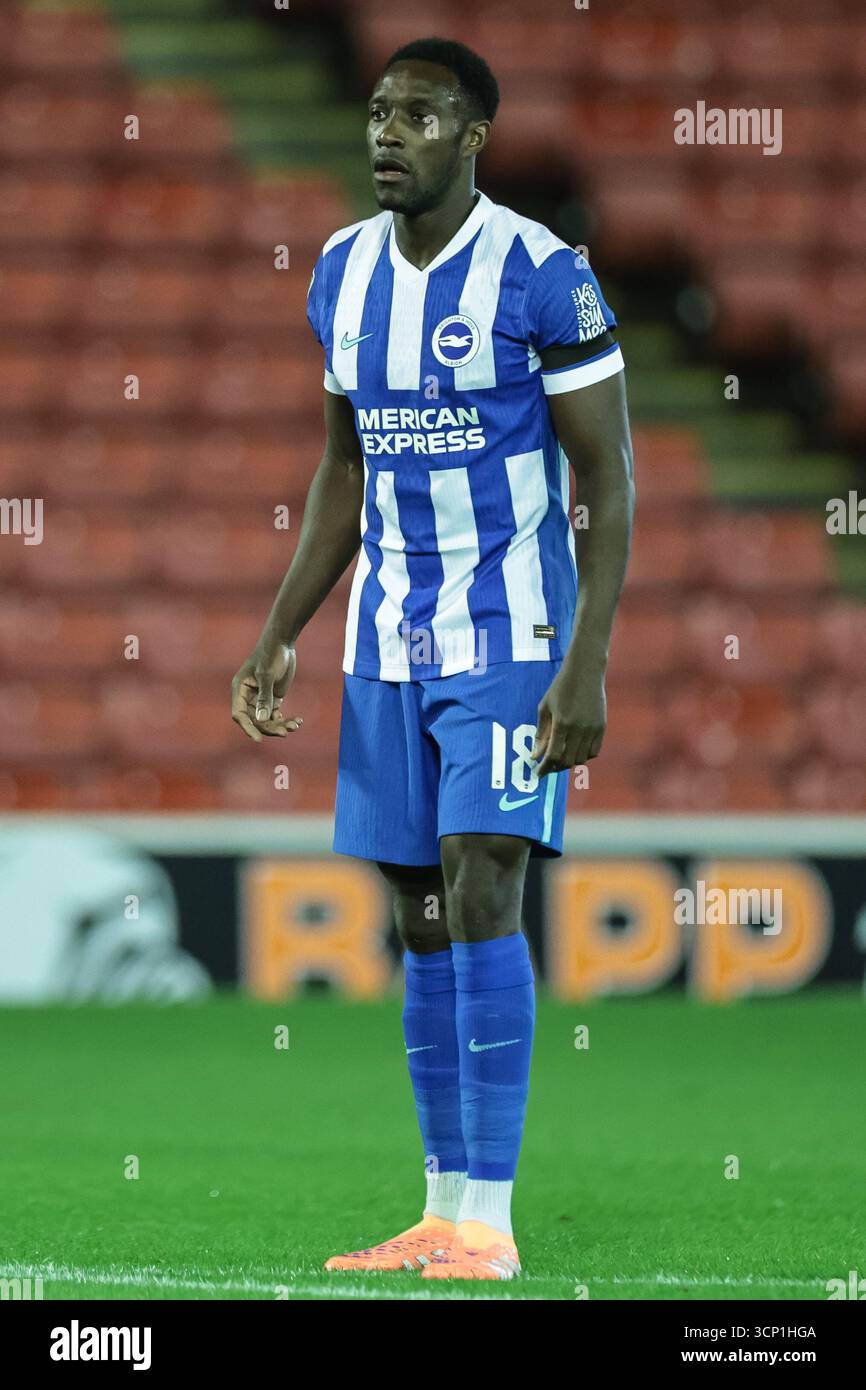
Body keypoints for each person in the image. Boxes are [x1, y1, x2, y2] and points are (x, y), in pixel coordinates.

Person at [231, 36, 634, 1281]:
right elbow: (344, 471)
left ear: (474, 137)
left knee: (478, 889)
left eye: (419, 114)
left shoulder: (541, 276)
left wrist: (584, 663)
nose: (386, 134)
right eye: (376, 112)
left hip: (509, 632)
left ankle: (493, 1225)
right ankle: (438, 1207)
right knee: (414, 915)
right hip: (384, 639)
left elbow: (608, 483)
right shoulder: (341, 276)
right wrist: (281, 629)